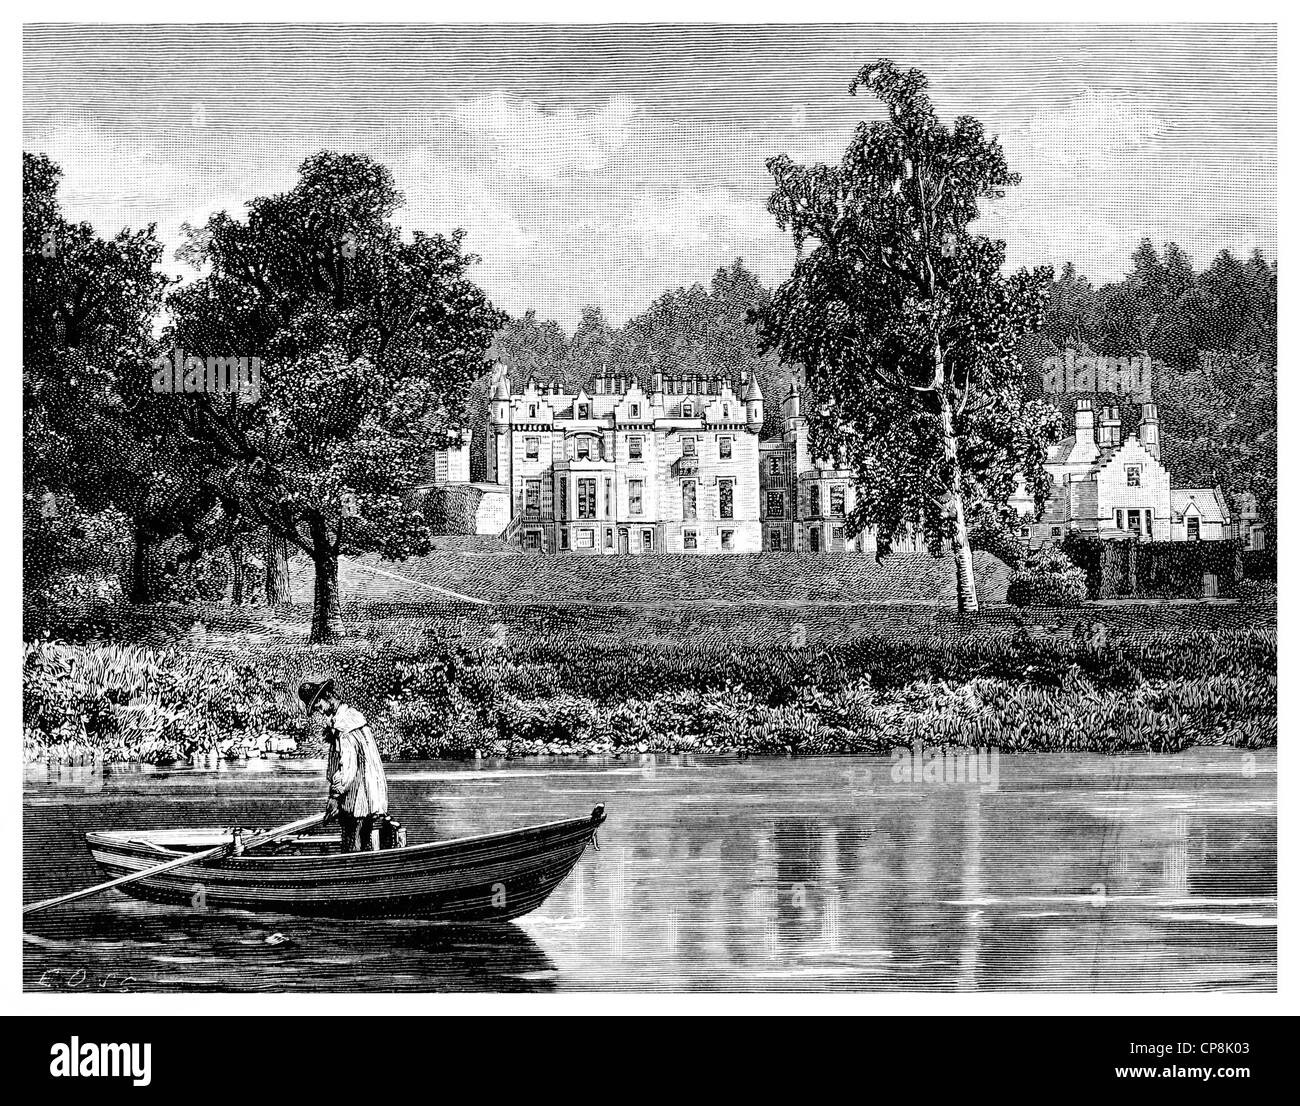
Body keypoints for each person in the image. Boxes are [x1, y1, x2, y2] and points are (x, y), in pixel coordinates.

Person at [298, 679, 389, 853]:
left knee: (352, 849)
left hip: (358, 802)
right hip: (367, 799)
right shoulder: (353, 720)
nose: (319, 710)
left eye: (318, 705)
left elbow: (347, 769)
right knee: (360, 844)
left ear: (328, 697)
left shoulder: (345, 727)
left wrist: (334, 796)